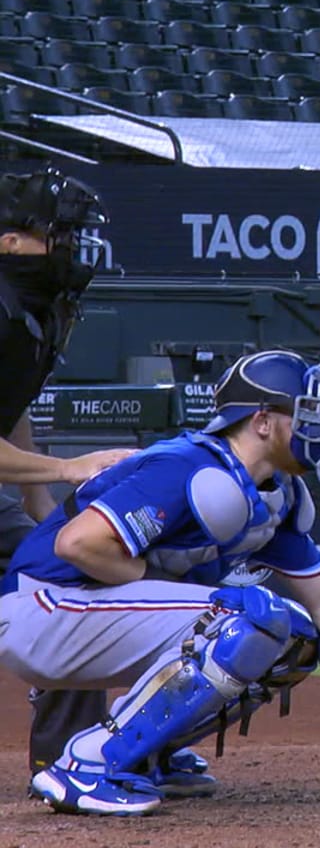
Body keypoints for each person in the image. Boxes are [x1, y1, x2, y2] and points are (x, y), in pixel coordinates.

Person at [0, 350, 320, 815]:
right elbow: (78, 544)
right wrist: (180, 592)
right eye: (306, 414)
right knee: (247, 616)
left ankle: (146, 753)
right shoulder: (185, 465)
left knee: (298, 637)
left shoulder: (273, 494)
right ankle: (89, 763)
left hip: (90, 619)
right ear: (261, 421)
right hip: (42, 608)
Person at [1, 166, 142, 788]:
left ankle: (70, 753)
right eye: (57, 235)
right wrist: (66, 467)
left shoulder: (32, 308)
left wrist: (38, 504)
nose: (70, 248)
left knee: (71, 572)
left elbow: (11, 405)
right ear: (10, 242)